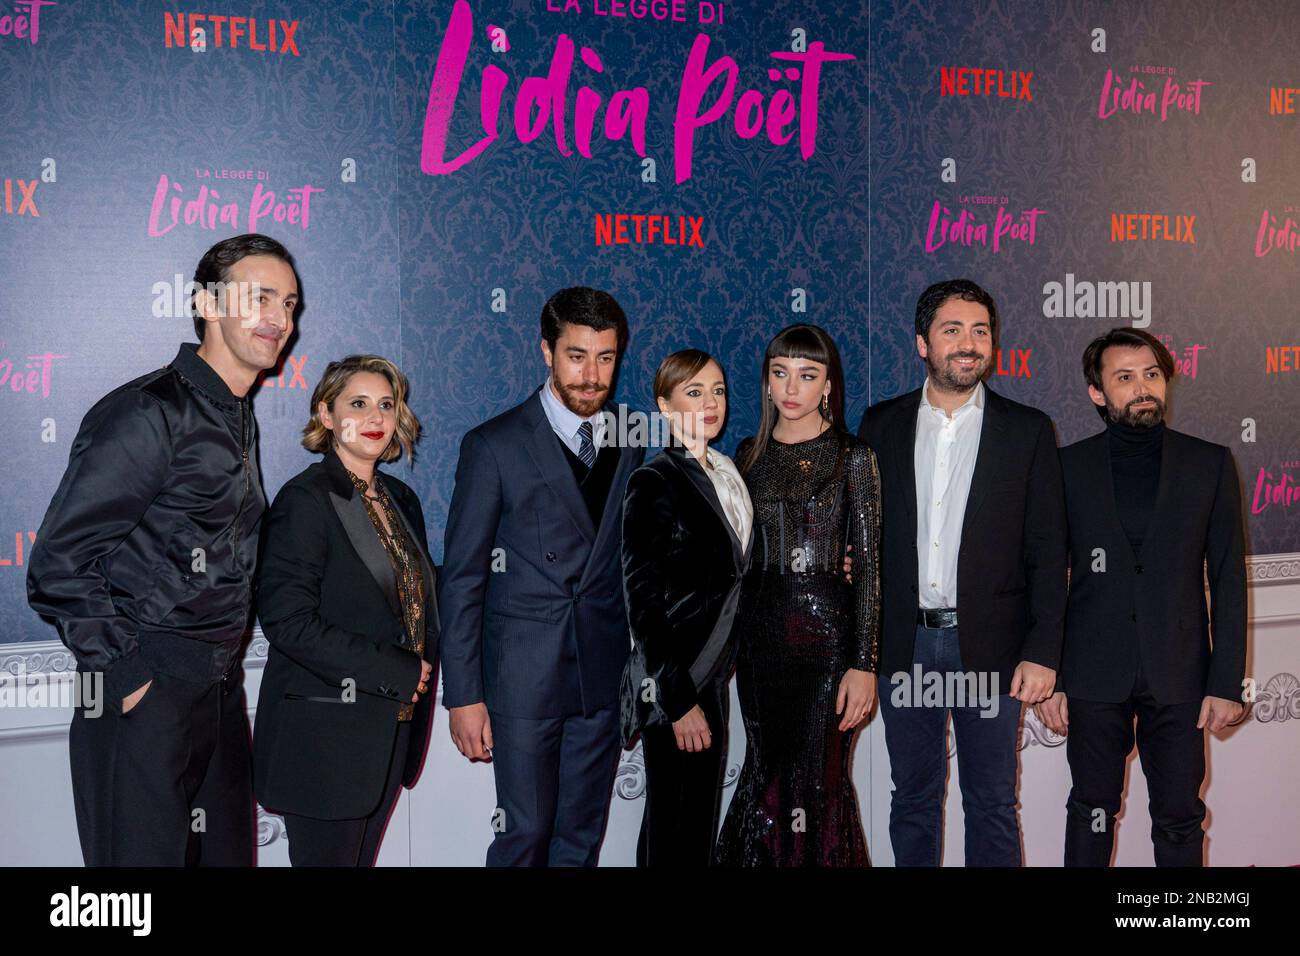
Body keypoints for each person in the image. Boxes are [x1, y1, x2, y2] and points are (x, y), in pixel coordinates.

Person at [27, 233, 299, 866]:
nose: (280, 319)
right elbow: (58, 564)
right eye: (260, 297)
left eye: (289, 303)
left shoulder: (237, 415)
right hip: (143, 689)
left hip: (219, 691)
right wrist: (129, 680)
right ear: (205, 303)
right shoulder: (148, 413)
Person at [858, 278, 1066, 867]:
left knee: (993, 800)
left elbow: (1049, 554)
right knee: (914, 798)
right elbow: (865, 539)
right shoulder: (881, 426)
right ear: (923, 343)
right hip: (908, 642)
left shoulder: (1027, 431)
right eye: (953, 330)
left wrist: (1043, 650)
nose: (968, 343)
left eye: (980, 331)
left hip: (993, 646)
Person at [439, 287, 645, 866]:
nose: (591, 375)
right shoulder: (494, 444)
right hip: (523, 678)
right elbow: (462, 578)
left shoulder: (629, 443)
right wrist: (464, 695)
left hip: (600, 676)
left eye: (605, 358)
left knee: (581, 838)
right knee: (524, 834)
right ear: (546, 352)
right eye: (576, 355)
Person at [1036, 328, 1246, 867]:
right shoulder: (1066, 469)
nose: (1142, 387)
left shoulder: (1210, 464)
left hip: (1179, 674)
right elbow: (1046, 578)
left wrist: (1225, 683)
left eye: (1151, 374)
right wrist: (1053, 675)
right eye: (1124, 378)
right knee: (1091, 809)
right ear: (1098, 393)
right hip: (1092, 673)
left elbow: (1226, 579)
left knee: (1179, 816)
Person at [253, 355, 438, 866]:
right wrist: (394, 671)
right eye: (358, 404)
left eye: (386, 404)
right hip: (323, 741)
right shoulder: (305, 500)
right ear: (327, 415)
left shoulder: (400, 498)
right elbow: (288, 623)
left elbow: (416, 604)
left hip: (386, 733)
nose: (376, 418)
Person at [714, 324, 880, 867]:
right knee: (765, 776)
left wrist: (864, 663)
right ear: (765, 382)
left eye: (807, 375)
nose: (792, 387)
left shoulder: (852, 457)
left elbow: (871, 567)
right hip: (760, 647)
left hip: (828, 648)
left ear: (827, 385)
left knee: (820, 783)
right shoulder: (747, 453)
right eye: (780, 373)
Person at [620, 349, 753, 867]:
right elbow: (642, 602)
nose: (710, 402)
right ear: (665, 405)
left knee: (690, 826)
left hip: (715, 679)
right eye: (693, 392)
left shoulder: (729, 470)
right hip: (675, 683)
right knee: (675, 830)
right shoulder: (654, 480)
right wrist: (678, 701)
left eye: (717, 390)